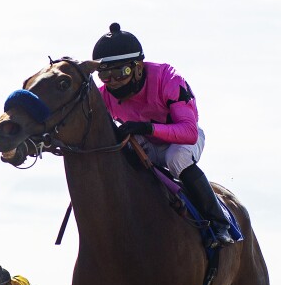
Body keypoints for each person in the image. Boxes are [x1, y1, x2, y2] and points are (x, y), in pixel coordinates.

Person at [92, 22, 234, 248]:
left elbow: (188, 132)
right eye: (105, 75)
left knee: (175, 158)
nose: (113, 82)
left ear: (138, 67)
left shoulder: (168, 78)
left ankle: (219, 223)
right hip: (145, 144)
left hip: (182, 142)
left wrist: (147, 127)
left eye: (121, 72)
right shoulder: (103, 96)